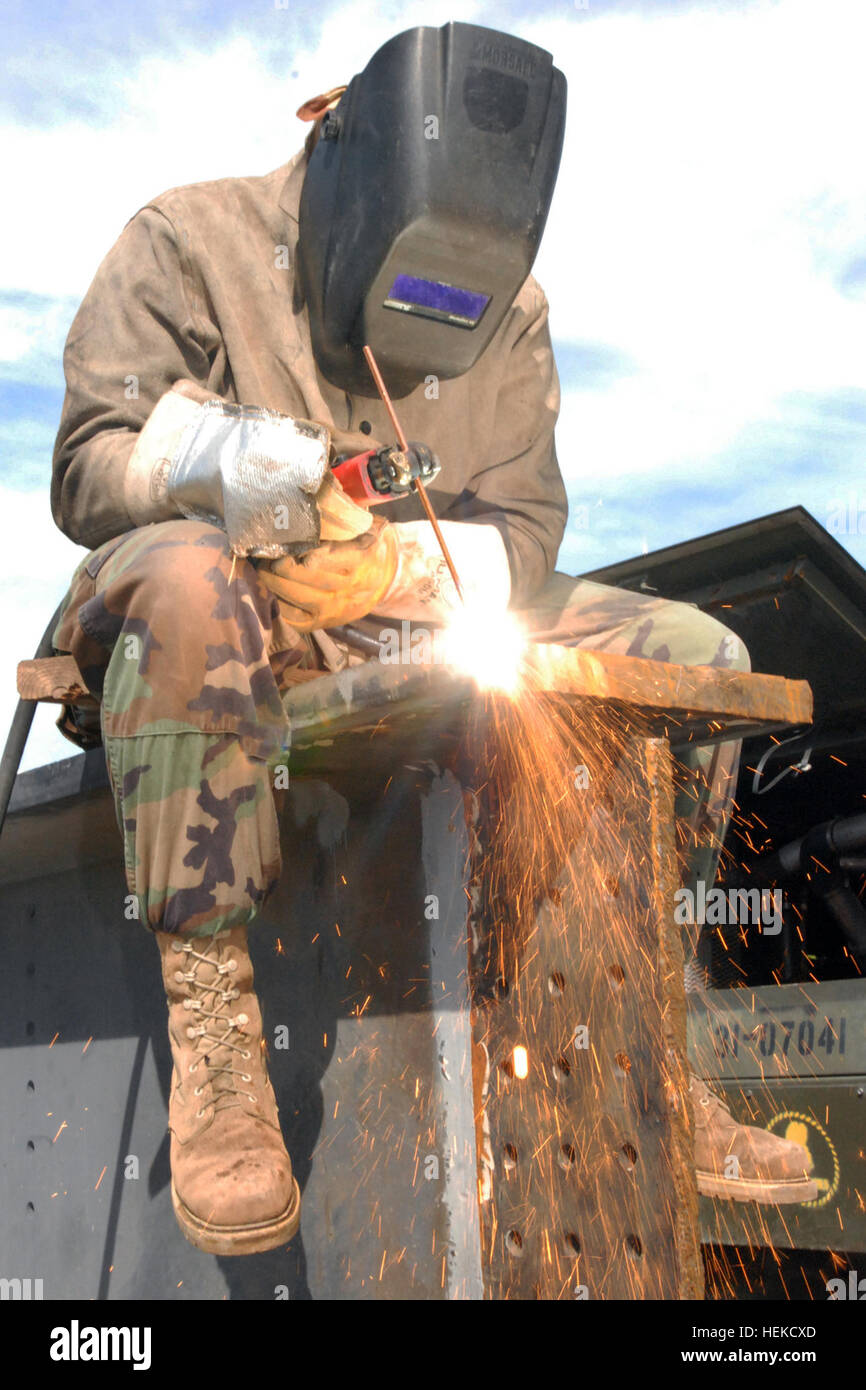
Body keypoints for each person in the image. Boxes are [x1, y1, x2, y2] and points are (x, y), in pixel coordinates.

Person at [48, 23, 815, 1258]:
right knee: (188, 577)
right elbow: (84, 470)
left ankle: (654, 1050)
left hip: (409, 613)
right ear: (346, 182)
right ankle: (221, 1053)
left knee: (690, 652)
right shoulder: (189, 240)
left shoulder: (510, 313)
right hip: (215, 618)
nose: (441, 313)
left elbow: (521, 521)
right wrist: (214, 462)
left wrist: (402, 560)